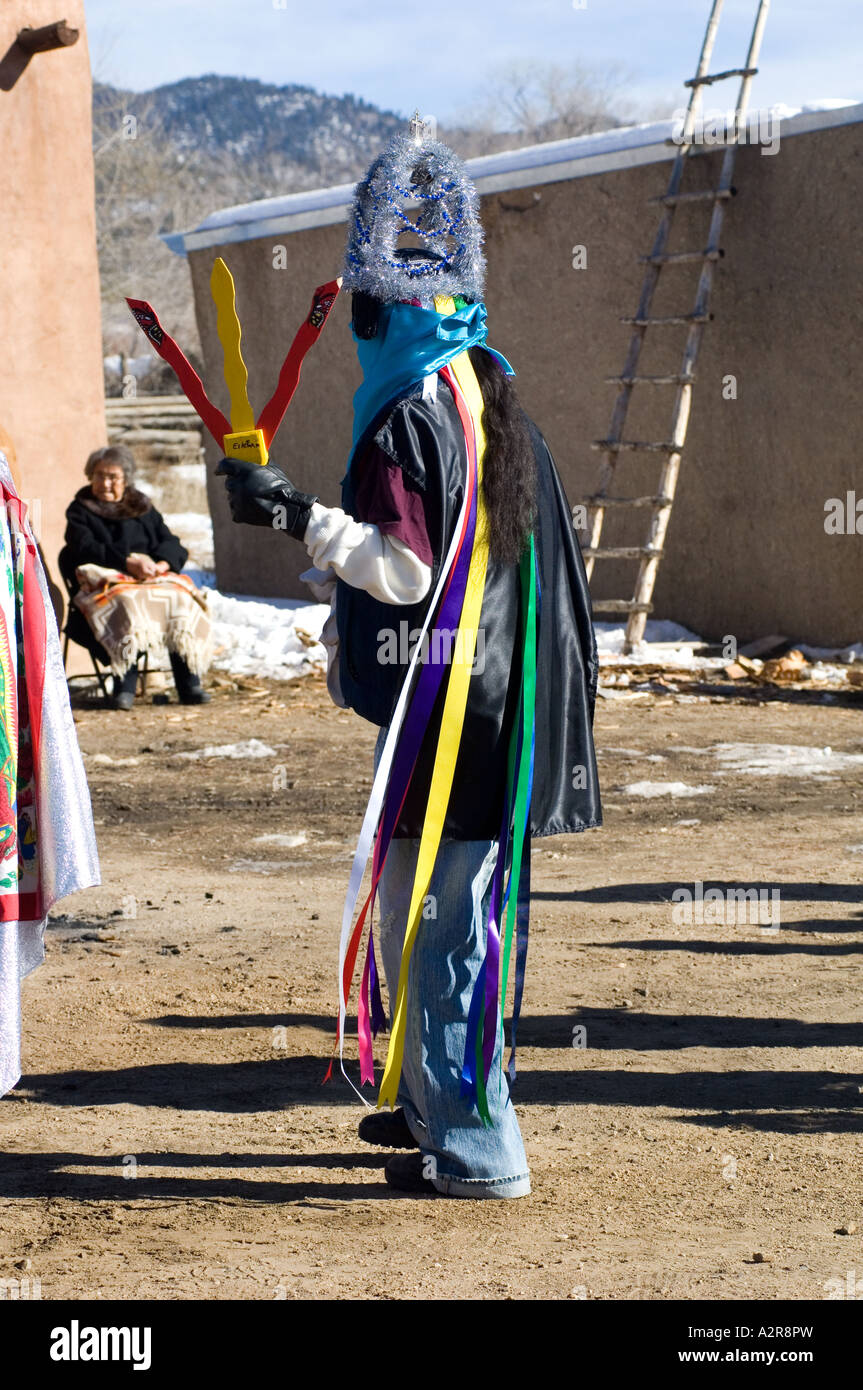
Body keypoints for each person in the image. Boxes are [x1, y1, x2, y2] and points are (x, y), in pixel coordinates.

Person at [218, 131, 601, 1198]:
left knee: (442, 932)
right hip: (486, 707)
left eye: (362, 315)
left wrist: (299, 519)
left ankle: (478, 1152)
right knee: (417, 911)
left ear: (384, 316)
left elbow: (402, 567)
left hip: (464, 729)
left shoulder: (405, 417)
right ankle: (433, 1107)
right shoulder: (485, 395)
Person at [62, 445, 212, 709]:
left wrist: (162, 563)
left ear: (126, 479)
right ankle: (125, 686)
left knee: (180, 598)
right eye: (99, 476)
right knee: (127, 604)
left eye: (112, 477)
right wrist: (127, 563)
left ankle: (189, 684)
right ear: (90, 476)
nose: (105, 483)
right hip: (104, 585)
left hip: (149, 580)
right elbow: (84, 548)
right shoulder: (80, 510)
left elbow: (171, 542)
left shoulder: (141, 507)